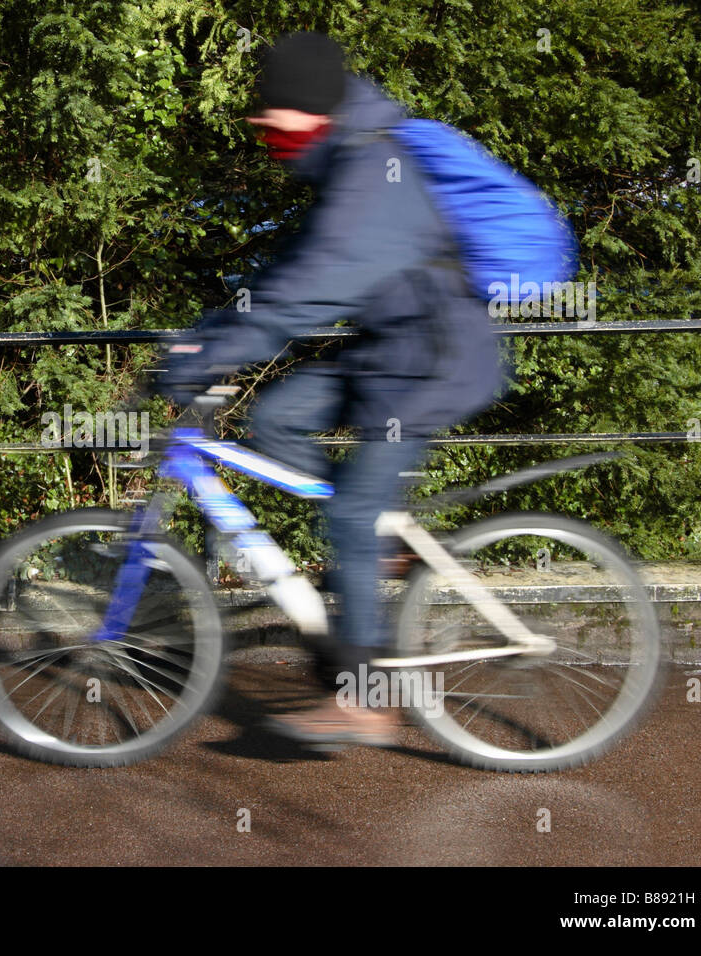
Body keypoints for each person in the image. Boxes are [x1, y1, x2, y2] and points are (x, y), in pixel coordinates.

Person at [156, 31, 509, 747]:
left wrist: (211, 357)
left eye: (271, 115)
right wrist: (205, 336)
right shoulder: (345, 161)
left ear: (308, 110)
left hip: (430, 363)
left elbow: (308, 296)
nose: (262, 128)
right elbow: (286, 279)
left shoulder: (373, 167)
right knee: (280, 414)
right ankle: (380, 538)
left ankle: (367, 699)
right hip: (388, 354)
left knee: (346, 516)